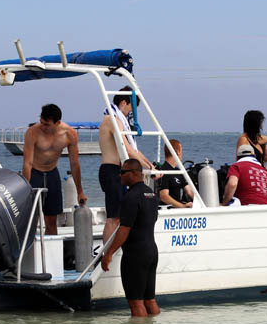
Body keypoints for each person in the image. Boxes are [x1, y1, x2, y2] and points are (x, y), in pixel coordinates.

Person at [100, 159, 160, 317]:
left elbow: (124, 229)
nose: (119, 175)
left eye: (122, 172)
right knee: (150, 300)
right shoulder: (151, 194)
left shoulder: (130, 197)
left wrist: (109, 253)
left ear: (134, 173)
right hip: (151, 252)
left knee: (136, 303)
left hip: (135, 255)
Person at [22, 103, 87, 237]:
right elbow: (27, 163)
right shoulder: (32, 132)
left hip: (52, 174)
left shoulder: (69, 134)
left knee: (51, 220)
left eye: (47, 124)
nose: (43, 127)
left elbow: (74, 164)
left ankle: (51, 253)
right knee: (30, 218)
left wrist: (80, 191)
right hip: (34, 173)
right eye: (41, 122)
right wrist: (25, 189)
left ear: (57, 123)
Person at [99, 86, 152, 246]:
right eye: (131, 109)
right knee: (113, 217)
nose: (131, 114)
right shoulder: (113, 120)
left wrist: (149, 164)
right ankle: (106, 252)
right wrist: (147, 167)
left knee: (121, 215)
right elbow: (127, 149)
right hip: (111, 170)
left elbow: (134, 149)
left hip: (118, 171)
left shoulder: (119, 121)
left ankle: (115, 249)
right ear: (124, 102)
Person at [158, 139, 195, 209]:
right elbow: (163, 196)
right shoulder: (163, 170)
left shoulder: (178, 171)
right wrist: (182, 206)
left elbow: (189, 191)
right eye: (181, 151)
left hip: (179, 208)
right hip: (169, 210)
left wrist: (202, 203)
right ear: (178, 152)